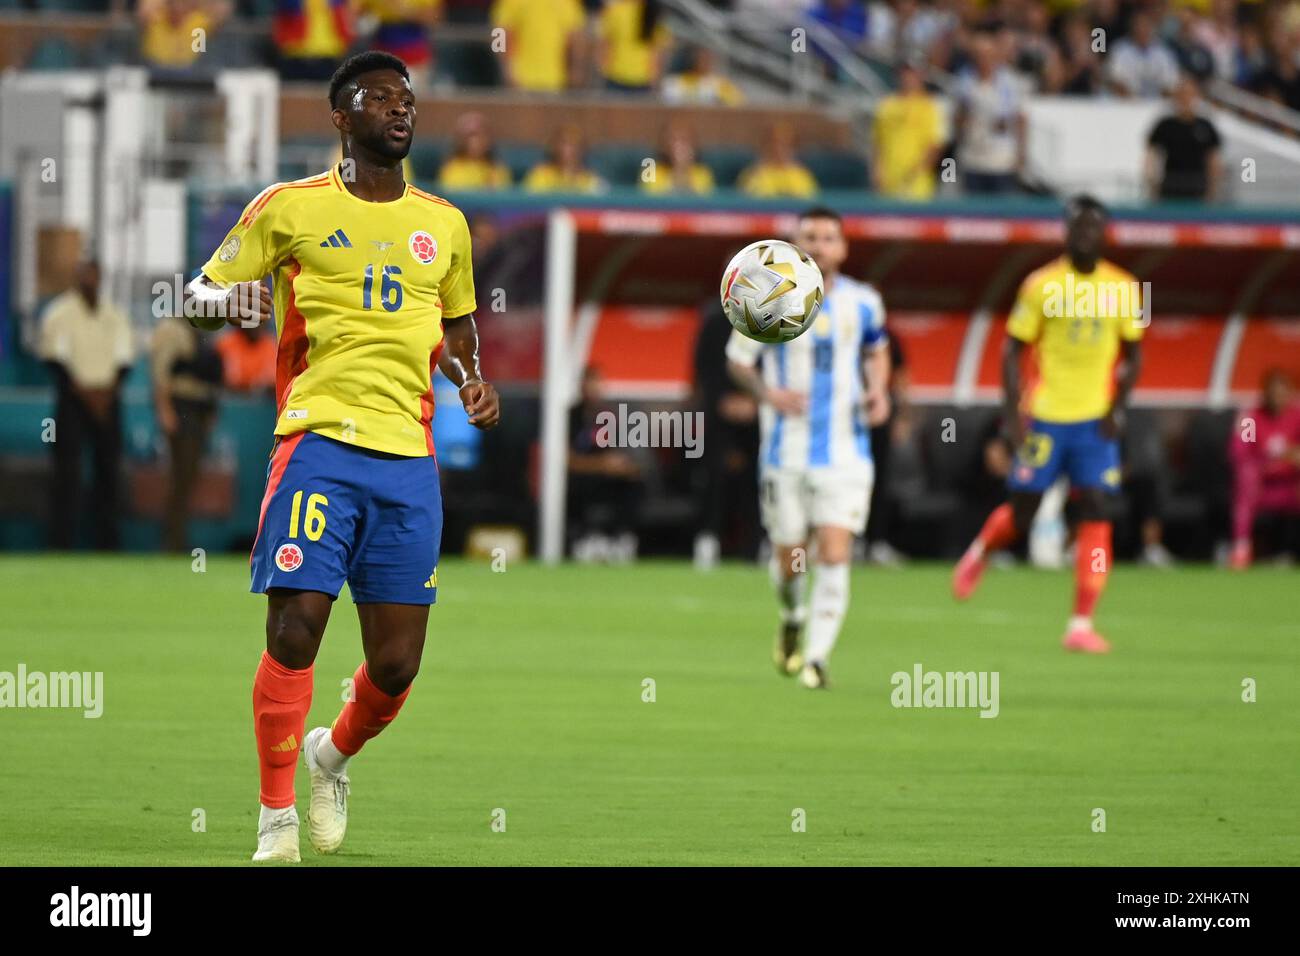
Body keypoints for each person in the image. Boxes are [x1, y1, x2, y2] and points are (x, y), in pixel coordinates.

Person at [180, 51, 500, 862]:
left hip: (407, 459)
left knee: (394, 666)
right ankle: (274, 817)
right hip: (318, 442)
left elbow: (456, 326)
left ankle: (330, 757)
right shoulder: (288, 209)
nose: (400, 107)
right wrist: (231, 302)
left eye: (408, 97)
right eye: (379, 96)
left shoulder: (445, 224)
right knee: (295, 629)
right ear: (341, 116)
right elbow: (195, 296)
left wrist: (470, 378)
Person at [952, 195, 1144, 655]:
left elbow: (1133, 354)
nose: (1084, 235)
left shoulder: (1125, 287)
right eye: (1076, 227)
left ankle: (1081, 623)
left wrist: (1118, 408)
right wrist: (1013, 415)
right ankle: (981, 550)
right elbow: (1011, 351)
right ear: (1065, 232)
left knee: (1096, 509)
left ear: (1105, 234)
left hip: (1093, 421)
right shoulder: (1040, 284)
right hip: (1045, 417)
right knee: (1025, 511)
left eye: (1092, 227)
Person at [725, 207, 890, 690]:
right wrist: (768, 395)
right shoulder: (769, 296)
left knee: (835, 553)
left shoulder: (864, 302)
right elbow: (737, 362)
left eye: (828, 238)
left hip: (846, 452)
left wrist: (879, 390)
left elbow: (877, 351)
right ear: (793, 246)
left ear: (843, 247)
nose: (819, 246)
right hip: (785, 451)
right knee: (791, 559)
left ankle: (816, 660)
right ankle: (793, 615)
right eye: (809, 237)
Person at [38, 258, 134, 550]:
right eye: (84, 275)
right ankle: (61, 543)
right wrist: (86, 394)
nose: (89, 281)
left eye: (94, 275)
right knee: (67, 472)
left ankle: (107, 544)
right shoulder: (59, 313)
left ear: (100, 278)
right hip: (73, 400)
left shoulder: (114, 315)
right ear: (76, 278)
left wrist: (105, 395)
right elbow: (56, 361)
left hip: (108, 399)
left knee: (108, 472)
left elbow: (124, 361)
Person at [151, 314, 224, 551]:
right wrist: (165, 410)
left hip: (199, 407)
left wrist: (211, 412)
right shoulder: (171, 329)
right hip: (181, 405)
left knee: (188, 476)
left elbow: (211, 378)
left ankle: (176, 538)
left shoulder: (206, 327)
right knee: (180, 477)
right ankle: (173, 540)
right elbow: (161, 374)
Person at [567, 366, 644, 561]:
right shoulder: (569, 417)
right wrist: (600, 464)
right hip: (582, 476)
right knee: (576, 485)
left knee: (633, 483)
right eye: (588, 384)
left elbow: (623, 454)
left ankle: (621, 538)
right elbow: (566, 460)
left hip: (607, 477)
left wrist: (625, 467)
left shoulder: (610, 417)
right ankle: (586, 539)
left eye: (596, 384)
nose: (592, 389)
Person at [1226, 369, 1300, 569]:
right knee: (1246, 477)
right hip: (1260, 485)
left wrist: (1292, 456)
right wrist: (1268, 460)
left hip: (1290, 486)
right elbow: (1241, 450)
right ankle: (1241, 549)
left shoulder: (1297, 416)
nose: (1277, 398)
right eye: (1273, 392)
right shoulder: (1252, 417)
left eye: (1282, 393)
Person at [954, 28, 1024, 195]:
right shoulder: (964, 81)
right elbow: (958, 119)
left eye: (987, 54)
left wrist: (1021, 156)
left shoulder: (1010, 82)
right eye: (978, 55)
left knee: (1003, 213)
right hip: (973, 159)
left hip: (1001, 161)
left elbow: (1020, 119)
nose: (982, 59)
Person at [871, 58, 944, 200]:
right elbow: (878, 142)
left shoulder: (931, 106)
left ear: (921, 75)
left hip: (917, 184)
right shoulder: (887, 104)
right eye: (905, 73)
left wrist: (914, 175)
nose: (908, 78)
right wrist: (876, 171)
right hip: (888, 181)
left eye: (912, 73)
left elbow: (936, 146)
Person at [1145, 74, 1223, 202]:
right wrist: (1152, 184)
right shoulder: (1165, 125)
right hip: (1170, 188)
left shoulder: (1206, 126)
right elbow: (1151, 156)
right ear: (1176, 97)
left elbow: (1213, 160)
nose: (1185, 98)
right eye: (1182, 94)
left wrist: (1213, 189)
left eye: (1189, 94)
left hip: (1198, 188)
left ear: (1196, 96)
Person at [491, 0, 587, 93]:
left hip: (556, 80)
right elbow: (499, 32)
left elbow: (576, 37)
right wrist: (506, 70)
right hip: (521, 80)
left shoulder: (568, 2)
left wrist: (576, 69)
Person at [360, 0, 442, 88]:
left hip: (414, 54)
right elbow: (356, 15)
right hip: (382, 51)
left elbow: (434, 17)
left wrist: (404, 10)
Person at [597, 0, 671, 93]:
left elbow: (605, 45)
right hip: (641, 79)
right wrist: (655, 79)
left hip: (617, 76)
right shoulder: (656, 13)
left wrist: (603, 69)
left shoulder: (616, 11)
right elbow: (657, 54)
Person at [272, 0, 355, 82]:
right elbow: (285, 7)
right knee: (291, 93)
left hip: (328, 58)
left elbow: (346, 18)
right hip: (295, 56)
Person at [1106, 9, 1181, 98]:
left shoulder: (1164, 52)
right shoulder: (1119, 50)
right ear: (1132, 27)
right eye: (1139, 25)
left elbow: (1172, 83)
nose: (1142, 29)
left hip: (1158, 103)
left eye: (1146, 25)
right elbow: (1113, 80)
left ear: (1152, 27)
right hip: (1125, 104)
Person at [738, 122, 819, 198]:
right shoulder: (752, 175)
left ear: (792, 148)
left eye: (784, 145)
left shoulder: (803, 176)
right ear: (764, 146)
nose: (778, 149)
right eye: (774, 143)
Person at [437, 112, 512, 191]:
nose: (476, 141)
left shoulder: (497, 169)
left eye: (481, 135)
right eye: (471, 135)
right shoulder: (451, 169)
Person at [523, 124, 605, 193]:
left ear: (583, 149)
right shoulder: (540, 175)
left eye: (574, 145)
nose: (569, 150)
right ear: (553, 147)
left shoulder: (591, 180)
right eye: (564, 144)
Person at [639, 122, 714, 195]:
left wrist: (683, 170)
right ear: (664, 144)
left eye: (684, 140)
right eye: (673, 139)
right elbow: (648, 202)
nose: (679, 146)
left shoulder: (703, 173)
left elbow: (704, 203)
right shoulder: (650, 171)